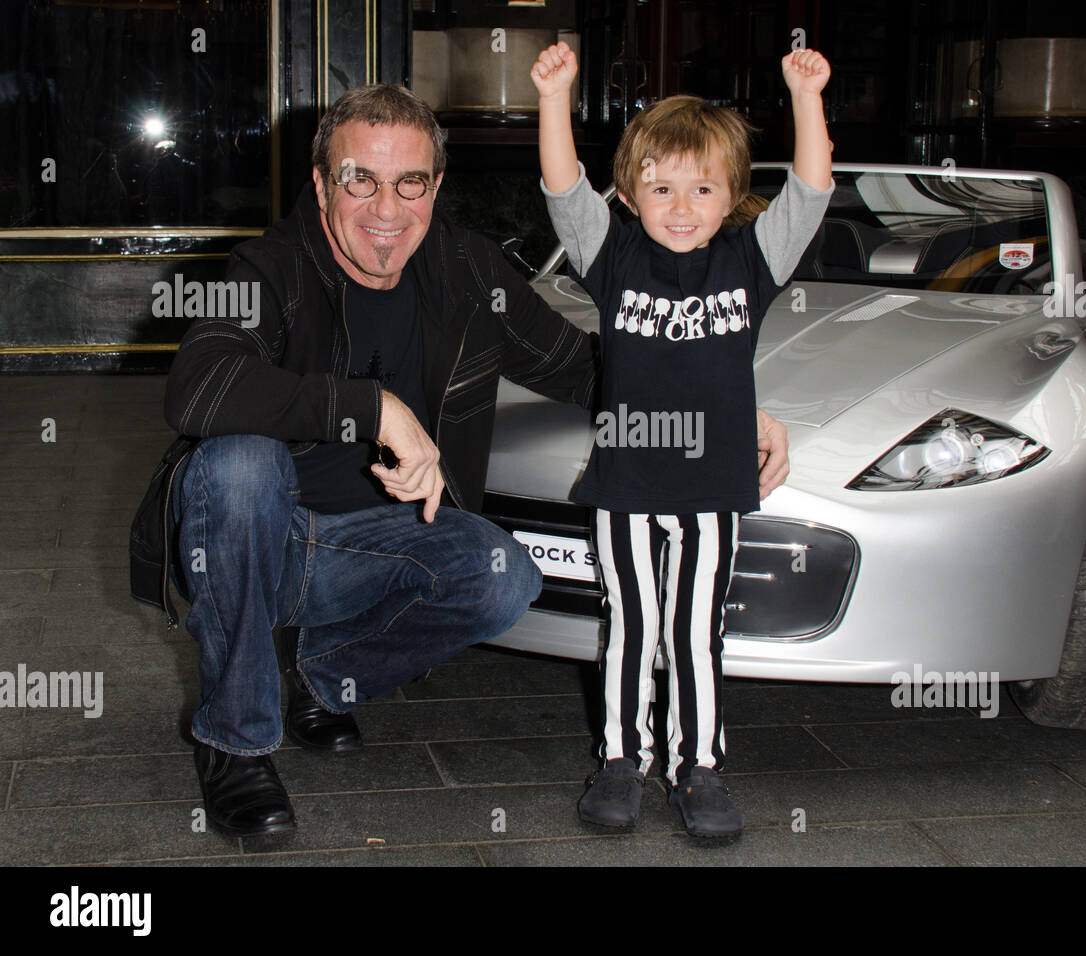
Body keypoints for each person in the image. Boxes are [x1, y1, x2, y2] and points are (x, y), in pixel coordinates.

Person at [136, 83, 792, 837]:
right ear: (321, 184)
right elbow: (198, 384)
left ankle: (324, 678)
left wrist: (727, 412)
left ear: (436, 187)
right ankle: (235, 742)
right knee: (237, 464)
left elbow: (590, 370)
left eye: (409, 181)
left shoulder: (470, 273)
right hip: (260, 541)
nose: (387, 208)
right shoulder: (267, 269)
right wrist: (375, 407)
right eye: (361, 179)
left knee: (503, 575)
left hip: (379, 549)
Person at [530, 43, 832, 837]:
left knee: (696, 633)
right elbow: (563, 188)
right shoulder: (613, 254)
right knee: (629, 628)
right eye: (660, 187)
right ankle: (621, 761)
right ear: (629, 193)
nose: (681, 204)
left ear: (734, 195)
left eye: (703, 188)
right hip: (625, 486)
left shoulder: (751, 258)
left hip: (712, 490)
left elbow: (810, 190)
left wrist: (807, 98)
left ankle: (698, 769)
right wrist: (555, 97)